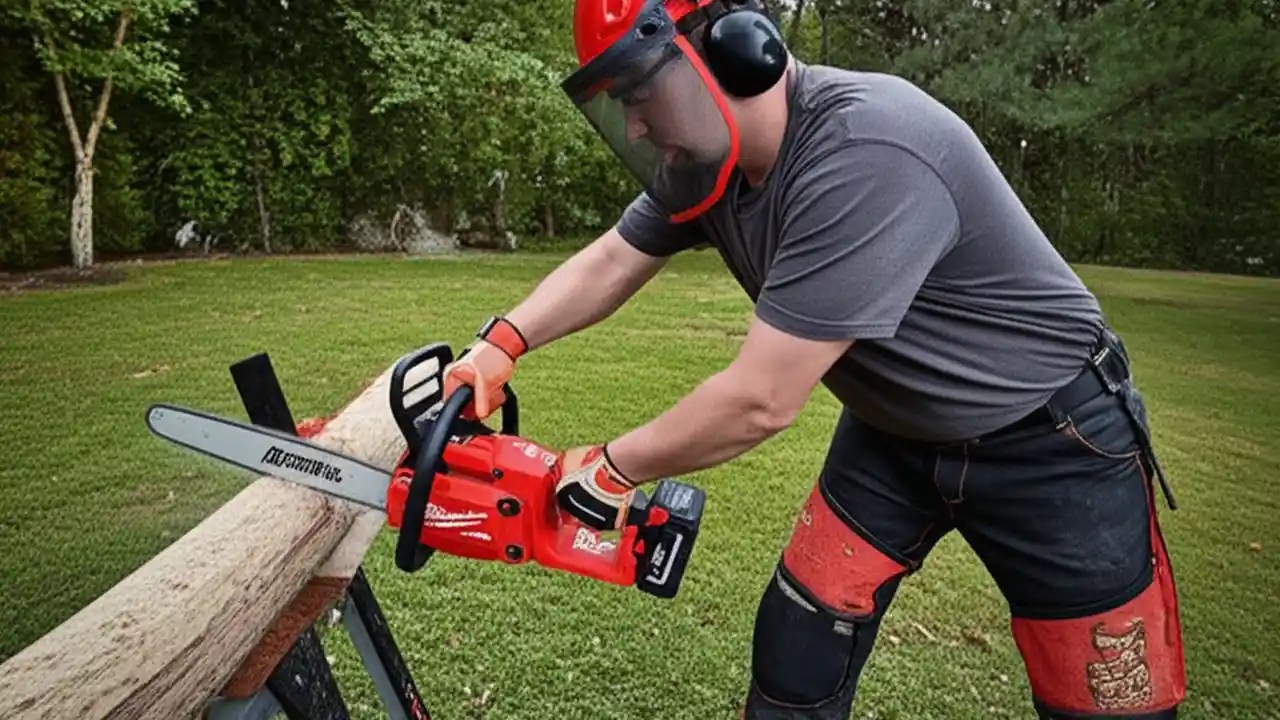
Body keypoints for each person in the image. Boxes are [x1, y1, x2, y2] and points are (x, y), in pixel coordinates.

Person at [440, 0, 1188, 717]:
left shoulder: (866, 149)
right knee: (798, 655)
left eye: (641, 89)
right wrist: (502, 342)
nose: (633, 121)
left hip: (1051, 441)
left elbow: (760, 399)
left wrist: (608, 467)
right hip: (892, 435)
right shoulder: (707, 162)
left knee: (1105, 698)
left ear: (735, 51)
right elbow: (612, 259)